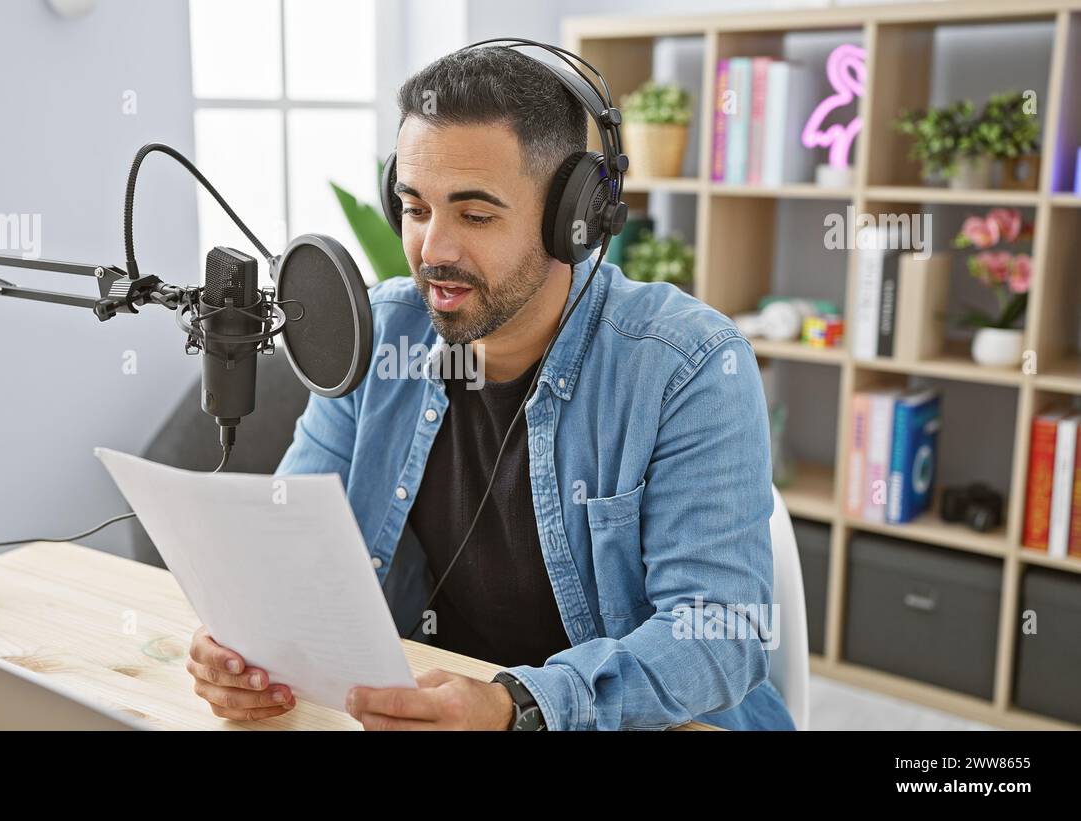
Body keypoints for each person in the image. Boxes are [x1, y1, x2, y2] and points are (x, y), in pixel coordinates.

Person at [186, 43, 795, 731]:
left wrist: (516, 705)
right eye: (415, 209)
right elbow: (291, 540)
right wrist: (246, 646)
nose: (433, 250)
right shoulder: (380, 334)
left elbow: (719, 635)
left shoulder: (688, 366)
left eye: (474, 215)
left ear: (572, 218)